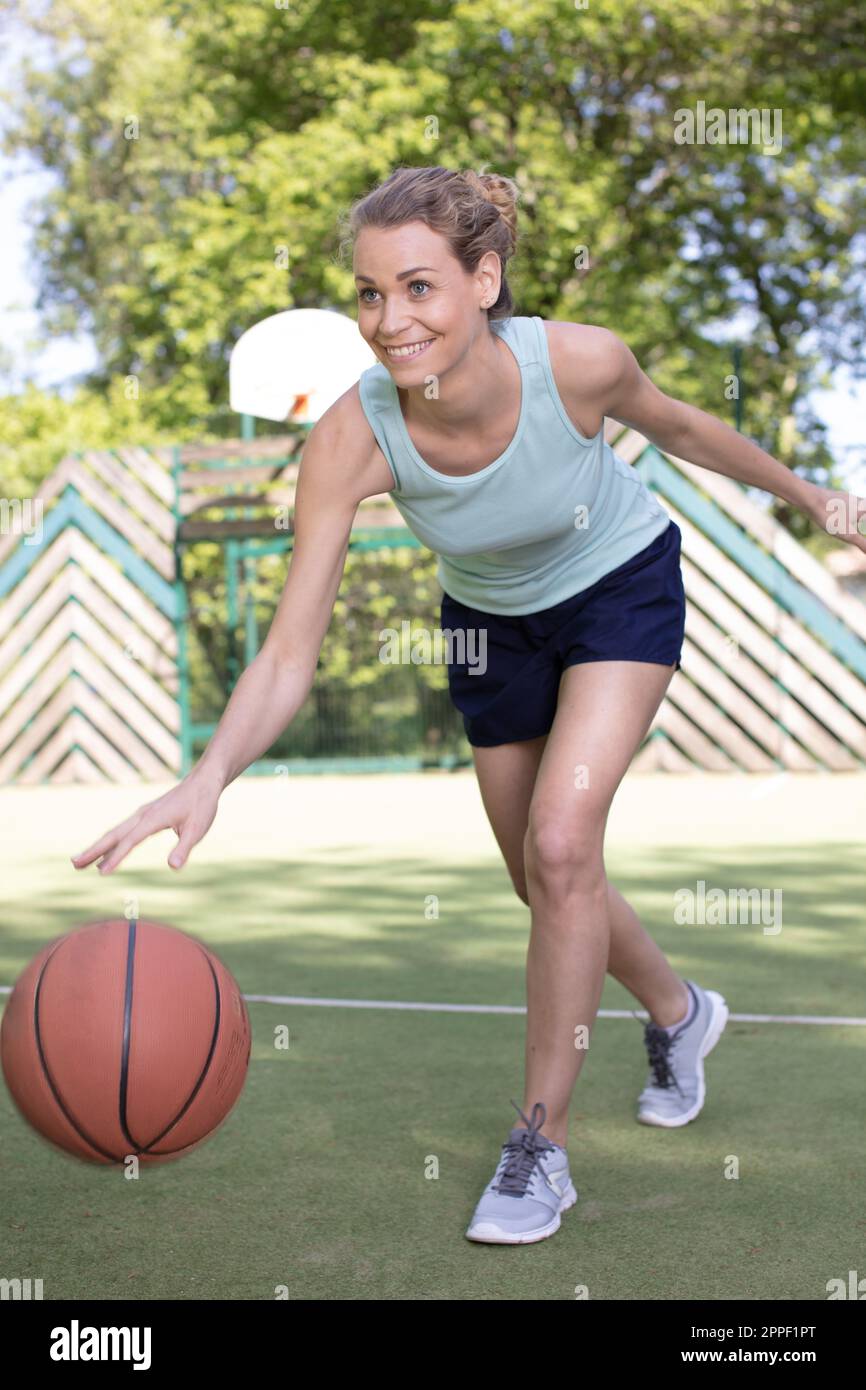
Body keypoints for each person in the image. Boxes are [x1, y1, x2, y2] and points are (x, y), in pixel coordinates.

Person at [72, 164, 863, 1247]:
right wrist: (209, 774)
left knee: (560, 839)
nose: (389, 321)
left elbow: (680, 428)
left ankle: (539, 1147)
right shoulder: (350, 439)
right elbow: (290, 651)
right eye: (367, 294)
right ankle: (679, 1013)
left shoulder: (575, 363)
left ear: (482, 279)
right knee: (536, 877)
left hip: (616, 588)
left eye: (418, 288)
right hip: (488, 626)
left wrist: (811, 495)